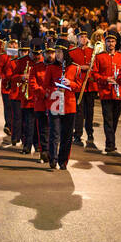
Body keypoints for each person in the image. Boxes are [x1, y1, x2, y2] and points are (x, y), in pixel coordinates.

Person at [42, 38, 83, 170]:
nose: (57, 54)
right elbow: (45, 86)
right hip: (55, 103)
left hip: (69, 105)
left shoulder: (75, 67)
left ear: (65, 53)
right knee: (54, 133)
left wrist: (70, 83)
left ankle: (63, 161)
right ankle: (53, 159)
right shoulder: (51, 67)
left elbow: (79, 86)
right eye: (56, 51)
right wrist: (55, 89)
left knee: (67, 135)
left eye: (60, 52)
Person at [92, 32, 121, 154]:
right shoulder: (99, 56)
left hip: (118, 93)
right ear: (105, 42)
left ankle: (110, 141)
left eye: (112, 41)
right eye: (108, 41)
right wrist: (105, 79)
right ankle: (110, 144)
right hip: (106, 92)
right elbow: (94, 74)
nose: (110, 44)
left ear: (116, 42)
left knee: (115, 119)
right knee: (108, 119)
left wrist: (119, 79)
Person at [68, 30, 97, 149]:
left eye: (85, 37)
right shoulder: (72, 52)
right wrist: (81, 68)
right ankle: (77, 134)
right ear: (77, 38)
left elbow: (96, 67)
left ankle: (90, 133)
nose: (83, 39)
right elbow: (71, 67)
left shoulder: (92, 52)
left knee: (89, 111)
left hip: (90, 86)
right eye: (81, 37)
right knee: (78, 111)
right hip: (79, 85)